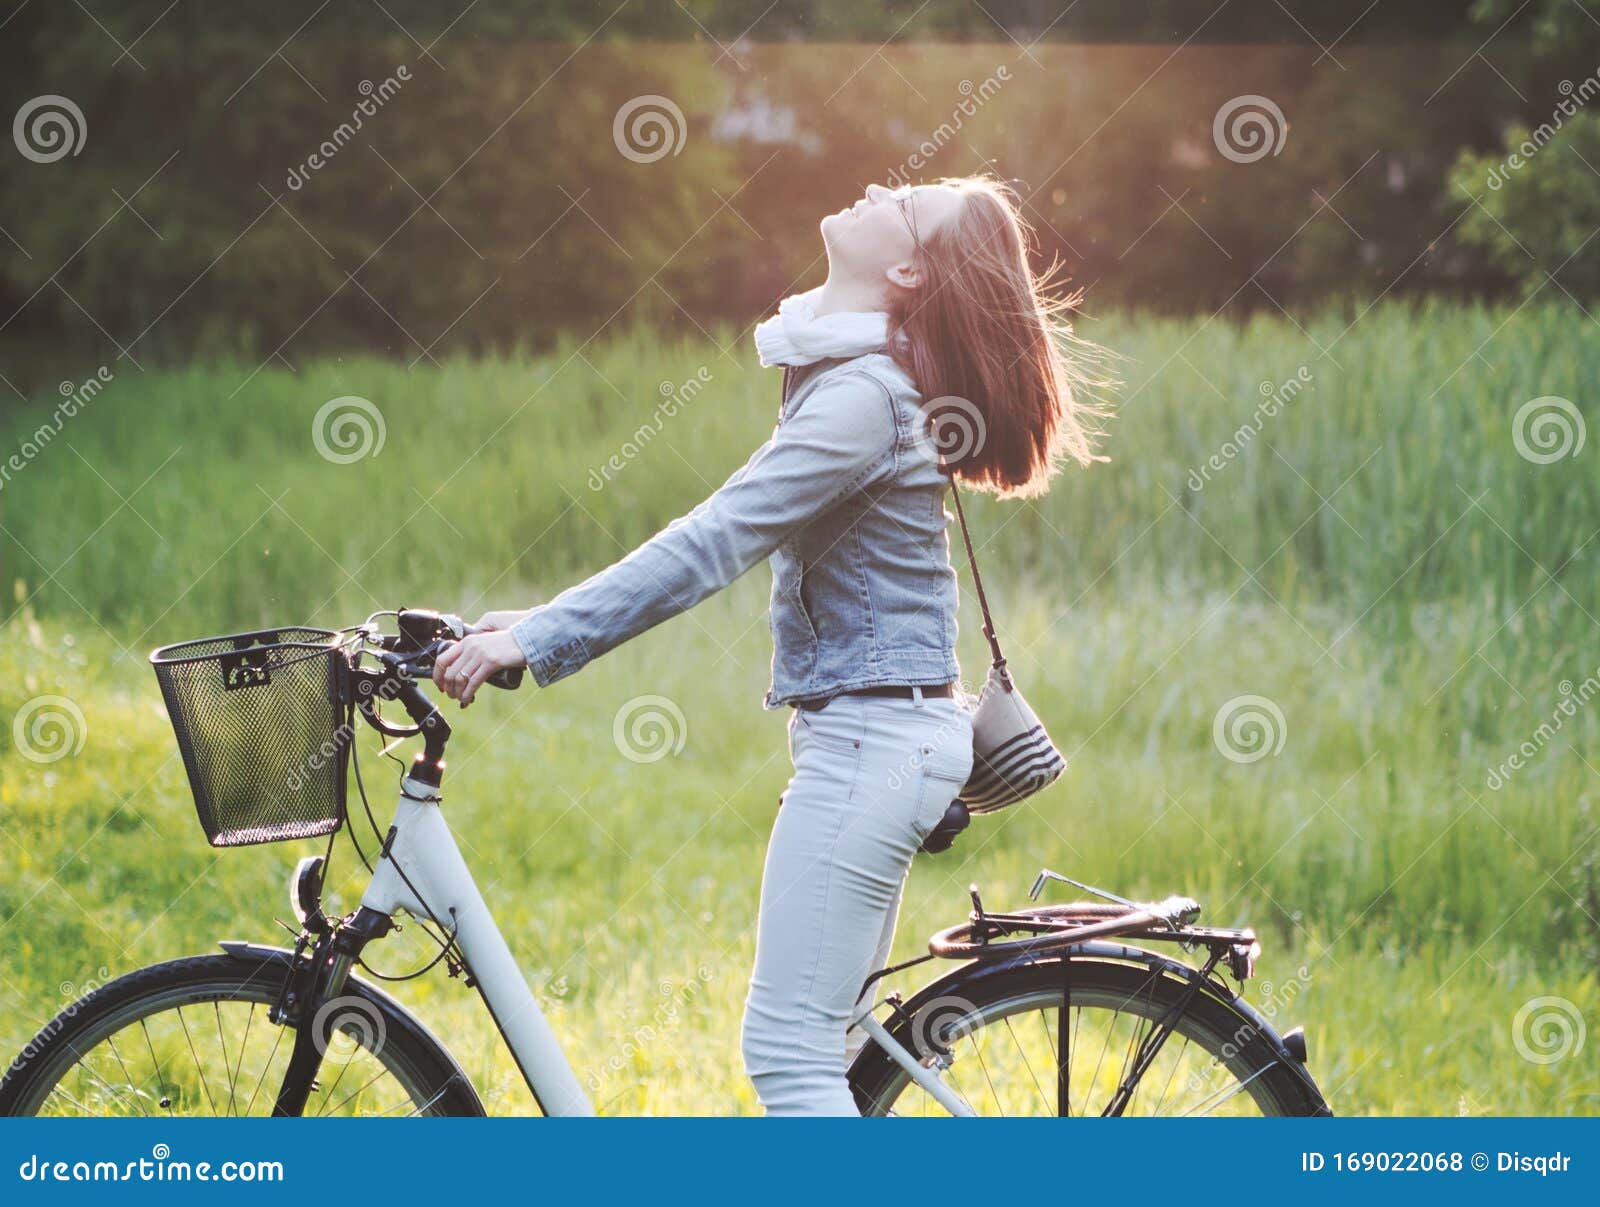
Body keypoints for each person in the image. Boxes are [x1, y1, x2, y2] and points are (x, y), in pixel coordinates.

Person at [434, 175, 1107, 1115]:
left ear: (909, 269)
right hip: (880, 738)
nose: (876, 186)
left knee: (790, 1056)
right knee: (824, 1050)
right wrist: (539, 619)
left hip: (874, 747)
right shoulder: (851, 377)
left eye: (903, 204)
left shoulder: (866, 398)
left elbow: (716, 538)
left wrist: (546, 638)